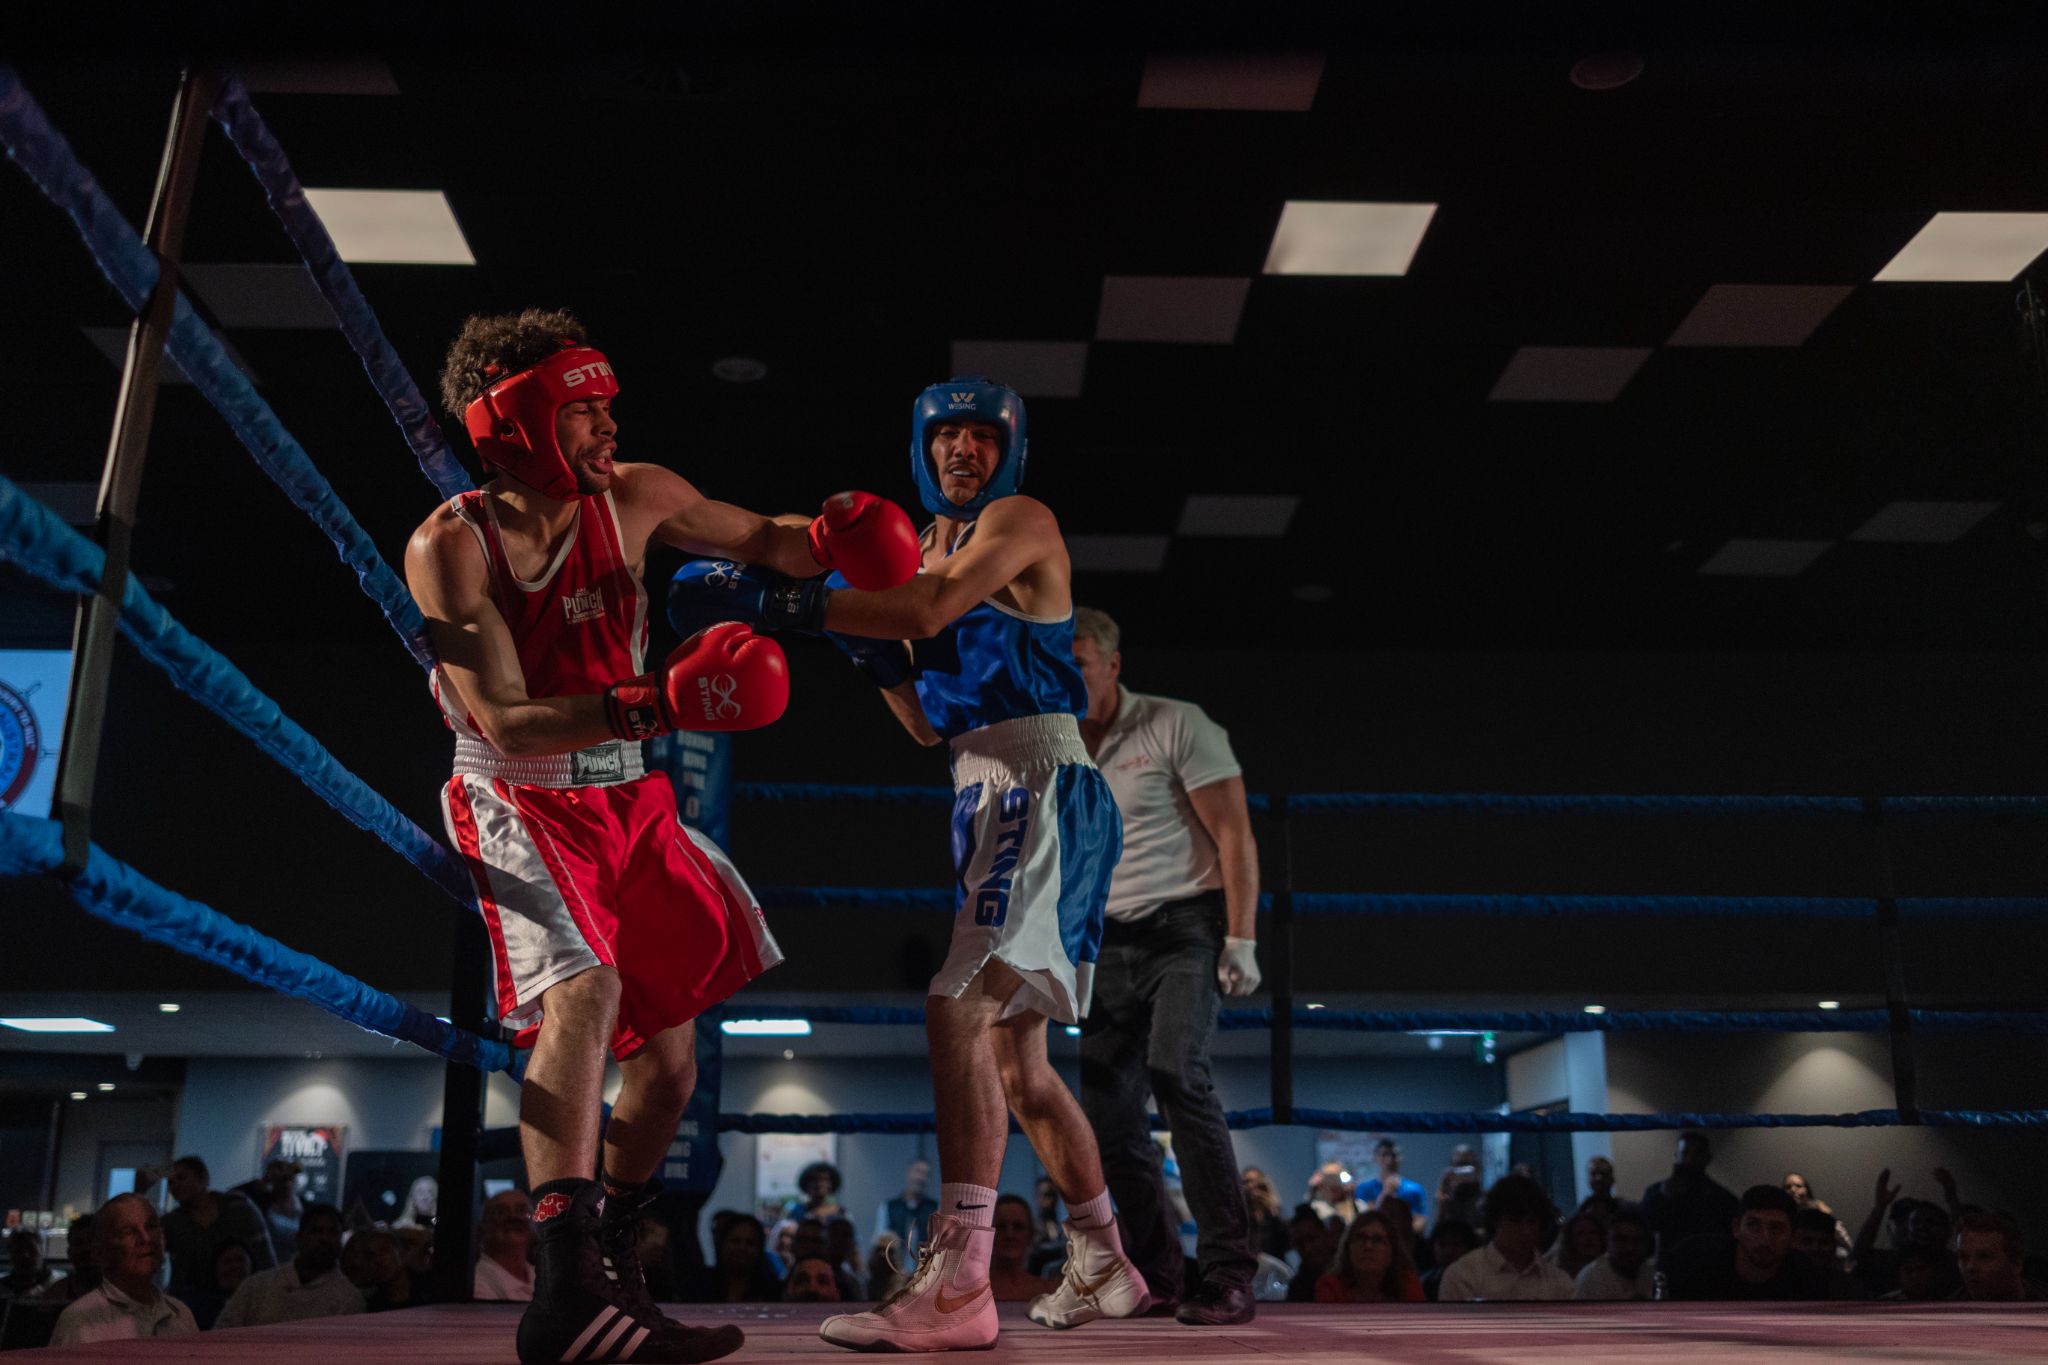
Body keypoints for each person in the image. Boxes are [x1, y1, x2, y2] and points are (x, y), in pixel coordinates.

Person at [416, 311, 916, 1364]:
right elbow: (503, 718)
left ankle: (611, 1272)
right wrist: (653, 701)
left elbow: (758, 538)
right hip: (519, 790)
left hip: (626, 794)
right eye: (580, 408)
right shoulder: (449, 547)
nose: (606, 426)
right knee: (584, 993)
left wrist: (827, 537)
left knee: (674, 1068)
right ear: (513, 426)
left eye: (605, 403)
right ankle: (560, 1297)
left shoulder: (637, 492)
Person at [670, 377, 1143, 1352]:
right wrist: (865, 654)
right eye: (945, 438)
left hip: (1038, 781)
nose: (961, 452)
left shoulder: (1017, 520)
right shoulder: (914, 548)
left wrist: (795, 607)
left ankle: (962, 1278)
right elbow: (928, 720)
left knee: (953, 1005)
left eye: (980, 436)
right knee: (1016, 1061)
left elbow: (926, 612)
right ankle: (1104, 1258)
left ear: (1008, 448)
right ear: (919, 449)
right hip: (978, 786)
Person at [1063, 604, 1261, 1323]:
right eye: (1058, 661)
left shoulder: (1179, 722)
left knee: (1179, 1069)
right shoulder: (1055, 743)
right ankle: (1156, 1274)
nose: (1067, 673)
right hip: (1102, 940)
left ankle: (1230, 1272)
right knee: (1109, 1116)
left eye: (1078, 660)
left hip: (1185, 928)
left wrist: (1242, 937)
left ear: (1113, 664)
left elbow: (1234, 833)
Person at [48, 1194, 198, 1346]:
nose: (146, 1238)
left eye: (151, 1226)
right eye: (128, 1232)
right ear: (100, 1253)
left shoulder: (180, 1313)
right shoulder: (81, 1320)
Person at [1661, 1185, 1828, 1301]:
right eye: (1753, 1226)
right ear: (1736, 1228)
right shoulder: (1694, 1263)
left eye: (1776, 1228)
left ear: (1793, 1236)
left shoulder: (1808, 1279)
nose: (1764, 1238)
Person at [213, 1203, 363, 1328]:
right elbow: (222, 1333)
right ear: (299, 1237)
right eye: (316, 1231)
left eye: (333, 1232)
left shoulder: (349, 1297)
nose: (324, 1238)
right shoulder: (258, 1286)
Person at [1436, 1175, 1576, 1302]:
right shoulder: (1464, 1275)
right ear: (1496, 1221)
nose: (1525, 1230)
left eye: (1532, 1222)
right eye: (1515, 1221)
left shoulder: (1559, 1282)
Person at [156, 1155, 275, 1297]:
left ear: (203, 1179)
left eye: (181, 1178)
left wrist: (270, 1291)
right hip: (192, 1304)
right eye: (170, 1182)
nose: (175, 1186)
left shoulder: (237, 1206)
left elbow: (263, 1253)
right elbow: (145, 1243)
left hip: (243, 1298)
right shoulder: (173, 1222)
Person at [1638, 1132, 1740, 1260]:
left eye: (1697, 1153)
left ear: (1707, 1158)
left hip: (1707, 1266)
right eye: (1685, 1152)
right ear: (1677, 1156)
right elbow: (1644, 1228)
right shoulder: (1657, 1192)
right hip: (1669, 1265)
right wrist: (1662, 1198)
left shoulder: (1723, 1199)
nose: (1690, 1159)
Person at [1313, 1210, 1424, 1304]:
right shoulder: (1330, 1286)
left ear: (1393, 1251)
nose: (1368, 1246)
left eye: (1378, 1239)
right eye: (1360, 1238)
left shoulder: (1407, 1285)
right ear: (1348, 1247)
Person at [1952, 1210, 2046, 1301]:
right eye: (1963, 1257)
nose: (1970, 1267)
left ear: (2017, 1263)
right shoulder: (1949, 1309)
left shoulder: (2042, 1303)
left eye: (1984, 1257)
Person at [689, 1214, 783, 1304]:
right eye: (735, 1241)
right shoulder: (701, 1284)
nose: (742, 1248)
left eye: (750, 1243)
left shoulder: (771, 1289)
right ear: (722, 1244)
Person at [1572, 1208, 1654, 1301]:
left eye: (1637, 1241)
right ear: (1607, 1241)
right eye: (1621, 1240)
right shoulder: (1591, 1278)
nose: (1629, 1248)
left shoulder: (1650, 1273)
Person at [232, 1159, 306, 1262]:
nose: (286, 1184)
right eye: (281, 1180)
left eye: (289, 1178)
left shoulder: (305, 1206)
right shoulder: (263, 1203)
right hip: (270, 1263)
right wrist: (262, 1182)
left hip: (297, 1263)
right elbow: (234, 1195)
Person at [989, 1194, 1058, 1302]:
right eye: (1001, 1226)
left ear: (1031, 1234)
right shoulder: (973, 1291)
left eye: (1018, 1227)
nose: (1009, 1234)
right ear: (989, 1234)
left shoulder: (1049, 1291)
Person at [342, 1228, 429, 1312]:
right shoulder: (372, 1307)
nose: (378, 1260)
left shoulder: (429, 1286)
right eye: (370, 1256)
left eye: (384, 1250)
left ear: (401, 1252)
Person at [473, 1190, 536, 1302]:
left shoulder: (544, 1277)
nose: (514, 1217)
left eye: (522, 1211)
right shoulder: (477, 1281)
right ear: (483, 1228)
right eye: (500, 1212)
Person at [1357, 1140, 1428, 1239]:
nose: (1389, 1160)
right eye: (1384, 1155)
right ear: (1375, 1158)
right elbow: (1365, 1220)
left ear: (1400, 1158)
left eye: (1393, 1155)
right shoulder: (1364, 1189)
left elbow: (1420, 1221)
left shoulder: (1414, 1189)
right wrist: (1385, 1193)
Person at [182, 1240, 253, 1330]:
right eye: (228, 1261)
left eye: (240, 1260)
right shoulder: (196, 1308)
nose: (234, 1266)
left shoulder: (263, 1301)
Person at [875, 1158, 938, 1257]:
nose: (920, 1178)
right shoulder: (888, 1207)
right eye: (917, 1172)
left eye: (926, 1174)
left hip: (926, 1268)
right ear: (907, 1173)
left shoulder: (935, 1208)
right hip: (895, 1267)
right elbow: (880, 1240)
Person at [1782, 1172, 1850, 1261]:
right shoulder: (1780, 1215)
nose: (1793, 1190)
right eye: (1788, 1187)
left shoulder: (1819, 1209)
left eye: (1798, 1186)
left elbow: (1845, 1243)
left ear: (1806, 1190)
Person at [1418, 1219, 1478, 1302]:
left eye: (1455, 1245)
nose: (1448, 1251)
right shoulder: (1425, 1280)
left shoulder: (1476, 1279)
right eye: (1442, 1244)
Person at [1242, 1168, 1293, 1259]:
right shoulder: (1240, 1216)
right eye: (1247, 1182)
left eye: (1257, 1181)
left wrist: (1274, 1207)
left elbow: (1289, 1243)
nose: (1252, 1186)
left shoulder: (1273, 1214)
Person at [1545, 1211, 1607, 1279]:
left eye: (1593, 1232)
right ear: (1570, 1239)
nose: (1588, 1238)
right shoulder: (1559, 1273)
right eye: (1580, 1234)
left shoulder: (1610, 1266)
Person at [0, 1228, 54, 1301]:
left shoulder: (59, 1286)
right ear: (10, 1254)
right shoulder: (3, 1288)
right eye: (18, 1250)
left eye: (31, 1249)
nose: (25, 1255)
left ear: (42, 1251)